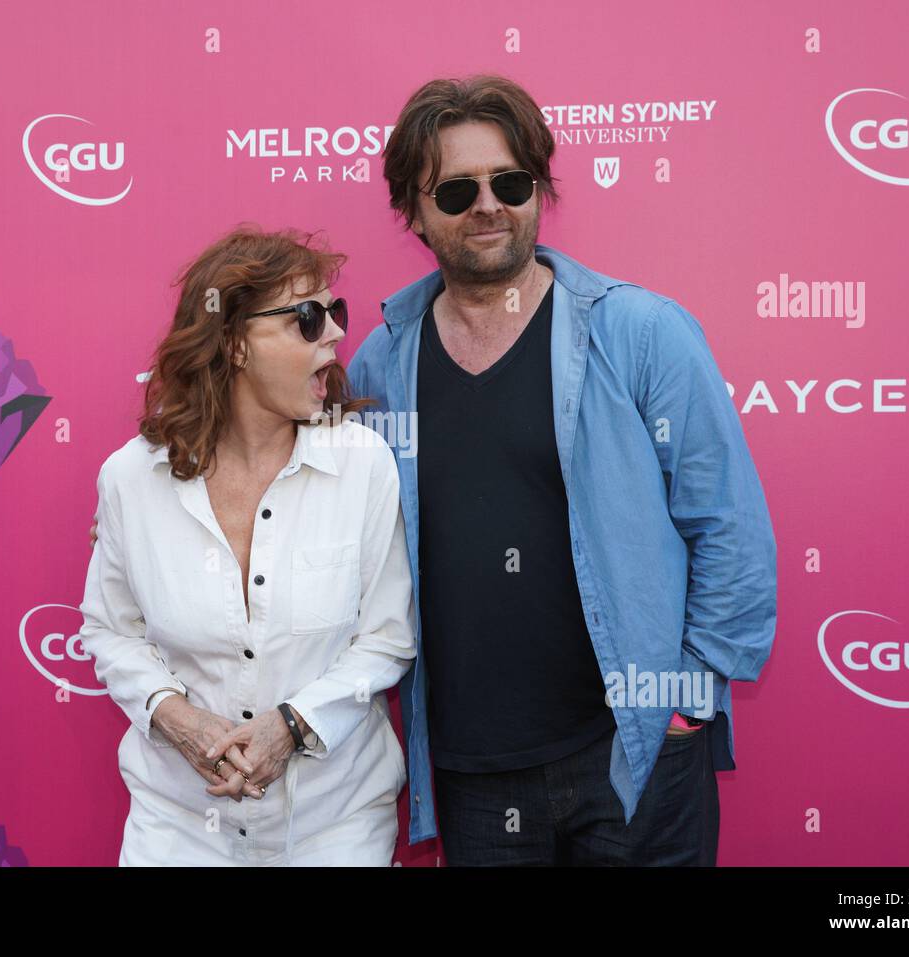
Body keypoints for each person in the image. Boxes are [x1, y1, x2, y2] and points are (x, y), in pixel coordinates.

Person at [343, 74, 778, 865]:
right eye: (455, 191)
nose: (487, 205)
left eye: (510, 182)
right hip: (472, 773)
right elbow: (335, 524)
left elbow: (728, 525)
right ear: (411, 210)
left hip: (634, 751)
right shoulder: (383, 361)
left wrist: (685, 700)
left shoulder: (641, 333)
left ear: (539, 189)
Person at [78, 224, 416, 865]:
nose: (338, 335)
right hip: (177, 825)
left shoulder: (363, 464)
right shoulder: (132, 478)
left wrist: (289, 729)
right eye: (308, 319)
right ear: (233, 345)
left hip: (335, 825)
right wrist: (180, 720)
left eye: (334, 312)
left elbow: (388, 637)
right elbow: (111, 632)